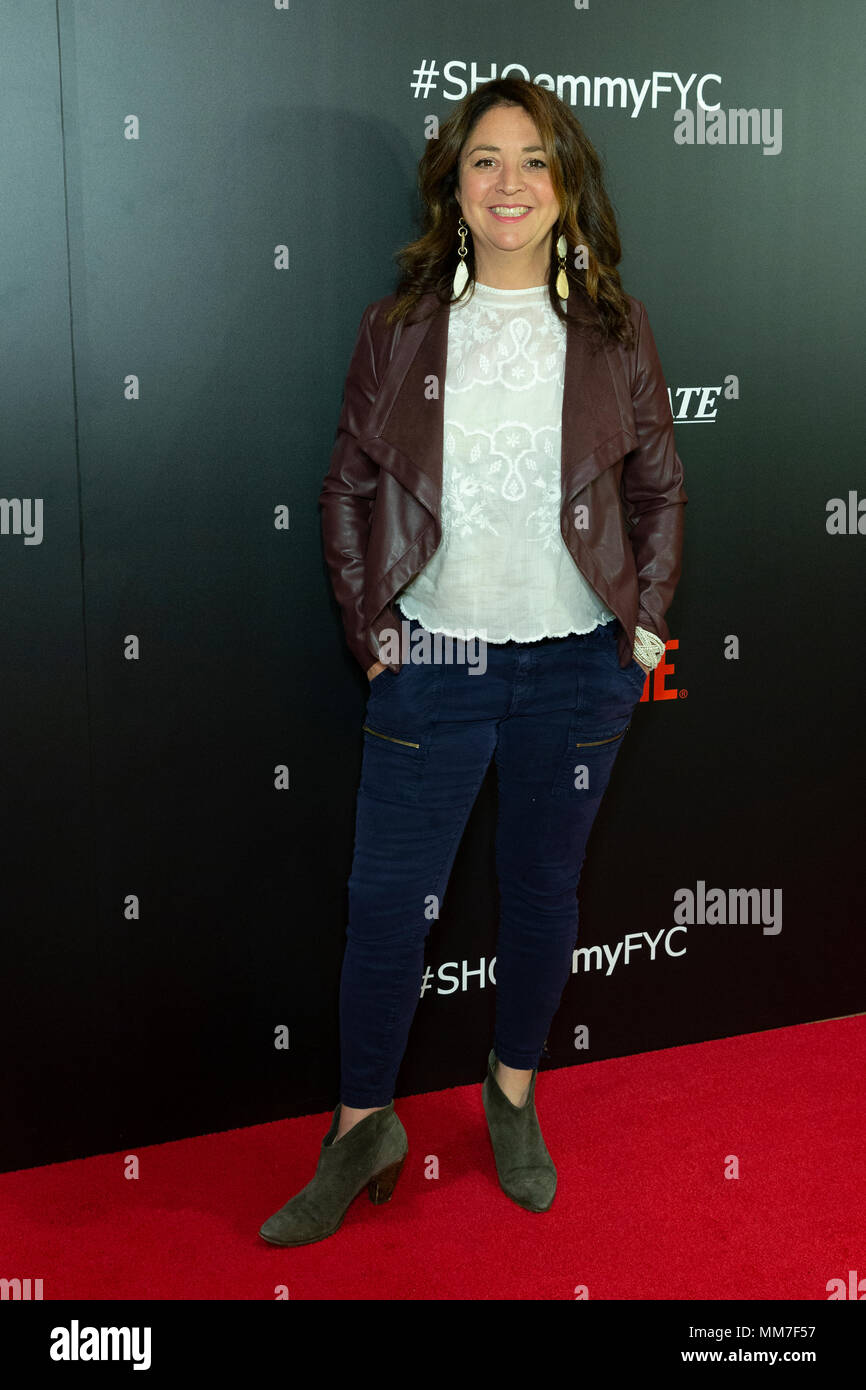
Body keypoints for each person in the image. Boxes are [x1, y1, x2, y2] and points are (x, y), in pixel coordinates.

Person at [259, 76, 686, 1248]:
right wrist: (374, 633)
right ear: (453, 187)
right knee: (387, 910)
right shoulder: (397, 330)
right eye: (486, 160)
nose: (510, 183)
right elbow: (346, 488)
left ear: (566, 186)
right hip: (432, 663)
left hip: (578, 668)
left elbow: (654, 487)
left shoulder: (612, 326)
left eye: (535, 160)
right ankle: (360, 1130)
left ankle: (510, 1095)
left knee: (544, 893)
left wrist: (640, 626)